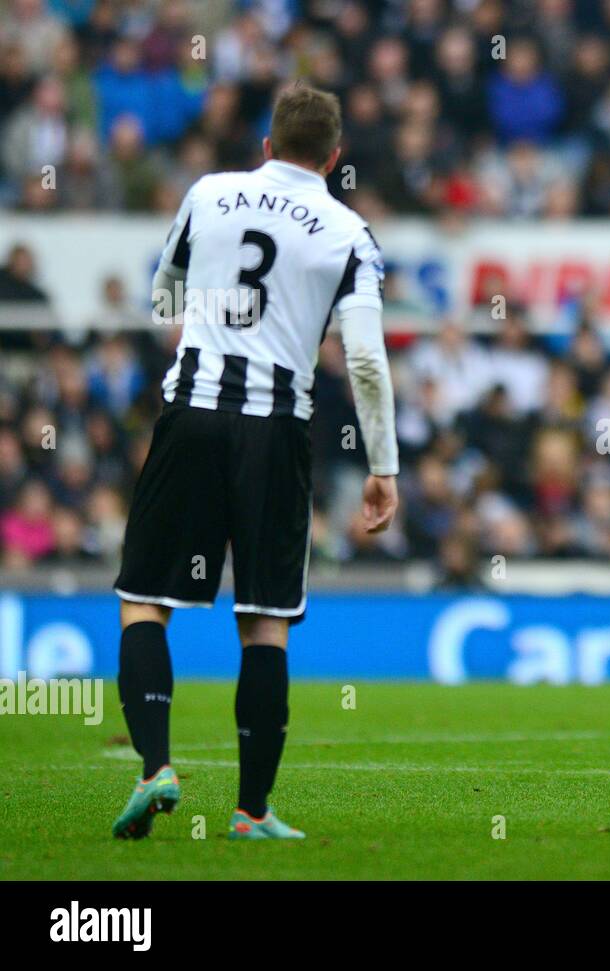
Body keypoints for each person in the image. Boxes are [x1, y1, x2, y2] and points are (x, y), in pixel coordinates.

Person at [111, 84, 399, 838]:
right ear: (335, 158)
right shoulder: (349, 232)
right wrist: (383, 463)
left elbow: (164, 292)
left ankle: (155, 767)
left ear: (267, 145)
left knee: (146, 599)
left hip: (193, 414)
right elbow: (364, 359)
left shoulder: (210, 193)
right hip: (274, 431)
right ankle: (250, 810)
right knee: (265, 622)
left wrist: (206, 325)